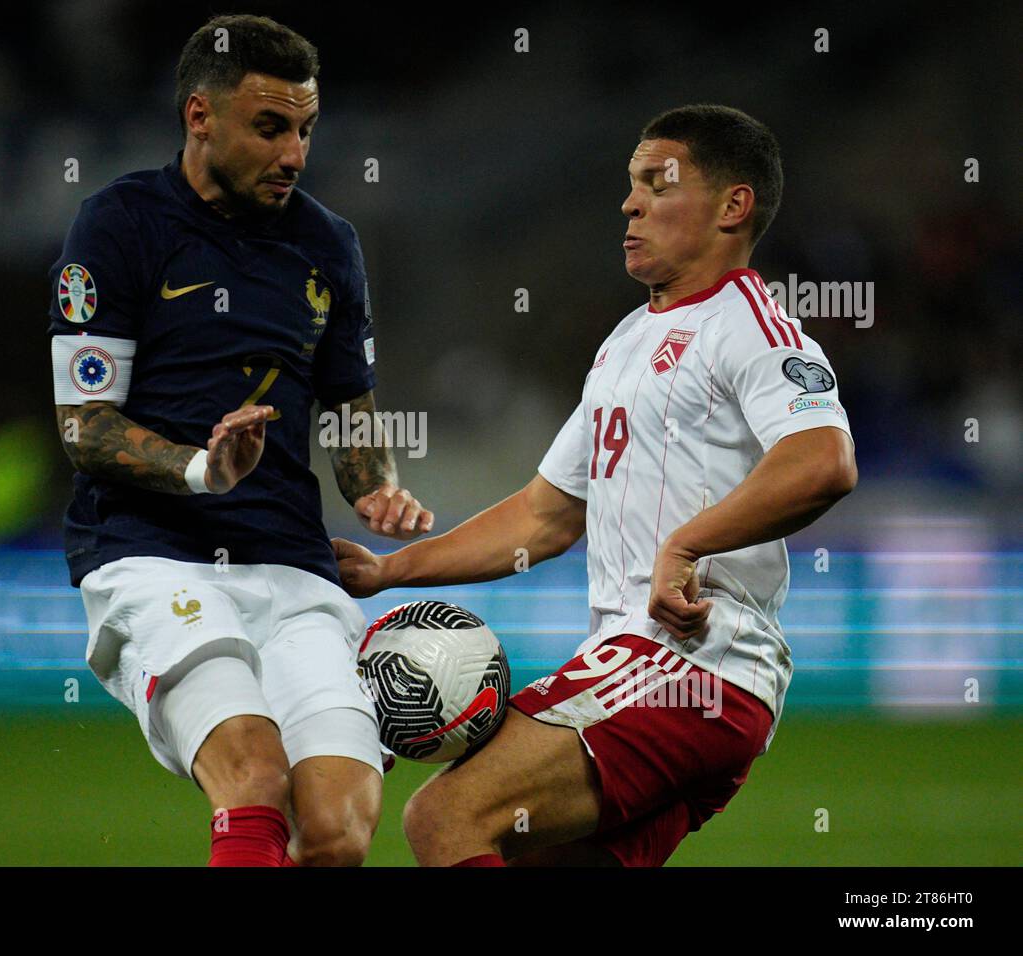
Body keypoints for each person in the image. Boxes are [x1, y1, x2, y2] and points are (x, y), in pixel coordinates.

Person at [334, 105, 858, 866]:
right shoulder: (626, 341)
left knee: (446, 819)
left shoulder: (754, 327)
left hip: (693, 664)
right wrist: (389, 571)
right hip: (646, 662)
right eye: (630, 183)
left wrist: (687, 542)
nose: (630, 202)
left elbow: (823, 462)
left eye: (656, 183)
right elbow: (546, 514)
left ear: (733, 206)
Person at [48, 14, 431, 867]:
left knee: (334, 831)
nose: (295, 152)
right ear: (199, 117)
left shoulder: (329, 244)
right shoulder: (118, 226)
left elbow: (350, 410)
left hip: (293, 563)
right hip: (154, 555)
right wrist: (200, 468)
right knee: (255, 776)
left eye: (305, 129)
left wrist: (374, 484)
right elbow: (84, 426)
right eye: (270, 128)